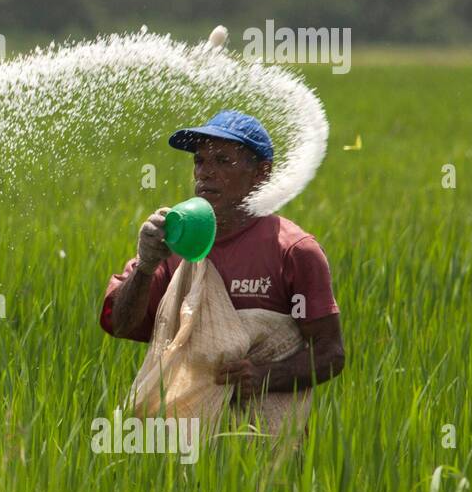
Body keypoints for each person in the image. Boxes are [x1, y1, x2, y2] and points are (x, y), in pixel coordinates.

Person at [100, 110, 344, 406]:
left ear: (261, 173)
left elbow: (330, 353)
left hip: (266, 439)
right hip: (184, 434)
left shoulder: (293, 250)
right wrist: (146, 266)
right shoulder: (174, 242)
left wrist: (265, 375)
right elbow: (123, 325)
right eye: (200, 160)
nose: (205, 172)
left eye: (222, 161)